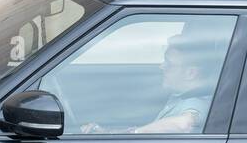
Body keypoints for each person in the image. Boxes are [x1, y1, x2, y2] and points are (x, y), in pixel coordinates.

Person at [80, 32, 217, 134]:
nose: (162, 66)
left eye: (169, 63)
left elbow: (184, 124)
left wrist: (135, 134)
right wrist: (106, 132)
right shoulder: (179, 97)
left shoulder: (197, 103)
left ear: (191, 73)